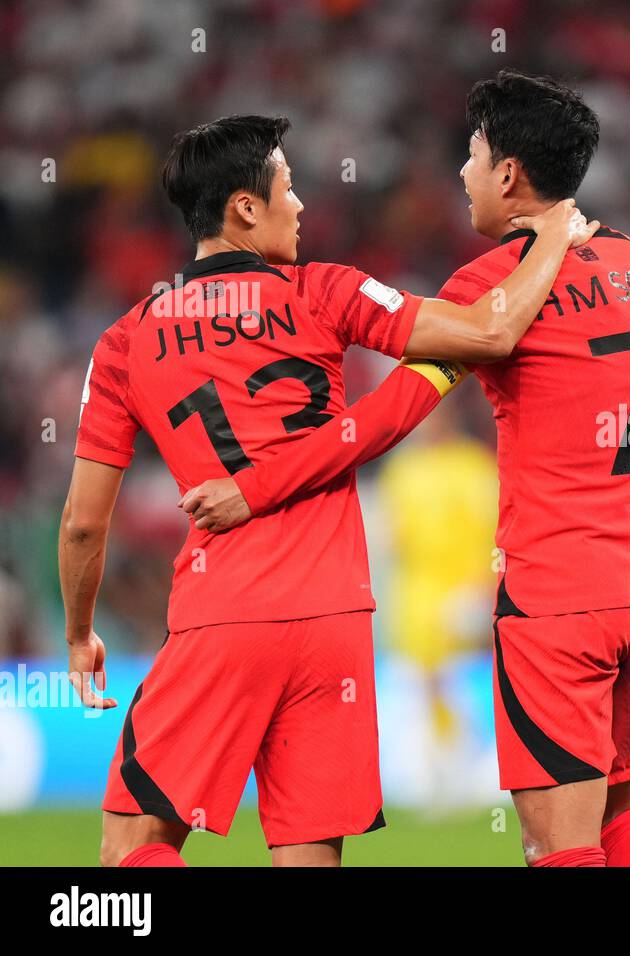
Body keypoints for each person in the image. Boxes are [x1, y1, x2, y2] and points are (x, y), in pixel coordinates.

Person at [180, 71, 630, 867]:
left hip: (558, 602)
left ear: (508, 173)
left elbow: (385, 417)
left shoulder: (488, 291)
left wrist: (253, 488)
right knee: (615, 820)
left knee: (558, 848)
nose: (462, 175)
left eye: (471, 155)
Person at [60, 113, 596, 867]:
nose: (303, 204)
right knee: (308, 855)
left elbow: (85, 524)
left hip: (223, 614)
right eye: (289, 186)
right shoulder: (326, 292)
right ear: (246, 207)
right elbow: (487, 334)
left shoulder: (125, 339)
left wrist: (81, 634)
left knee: (135, 846)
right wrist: (550, 234)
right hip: (336, 622)